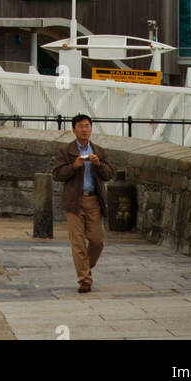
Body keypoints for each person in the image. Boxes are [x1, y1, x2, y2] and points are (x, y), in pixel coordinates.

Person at [53, 113, 115, 294]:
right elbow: (57, 174)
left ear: (91, 128)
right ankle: (84, 280)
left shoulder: (99, 151)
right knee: (78, 242)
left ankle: (85, 267)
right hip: (74, 201)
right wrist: (74, 166)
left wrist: (98, 164)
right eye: (80, 126)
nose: (84, 129)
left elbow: (109, 174)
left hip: (94, 200)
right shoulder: (65, 152)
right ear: (73, 130)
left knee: (97, 241)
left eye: (87, 126)